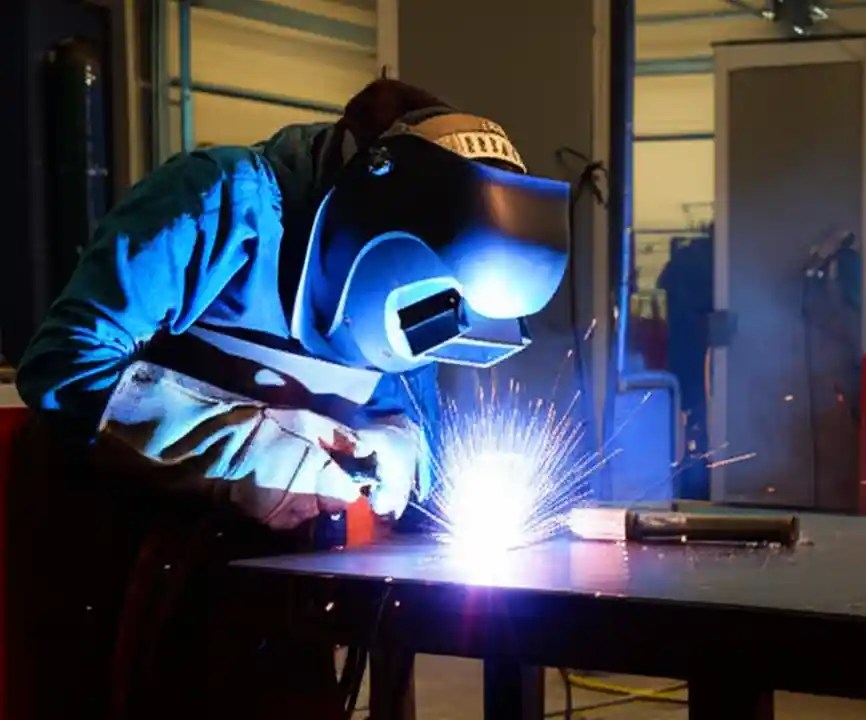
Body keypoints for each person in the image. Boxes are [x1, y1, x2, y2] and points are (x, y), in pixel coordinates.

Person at [7, 78, 569, 719]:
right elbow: (63, 366)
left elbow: (422, 446)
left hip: (270, 588)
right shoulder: (224, 202)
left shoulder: (428, 283)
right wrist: (250, 450)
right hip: (122, 567)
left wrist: (402, 449)